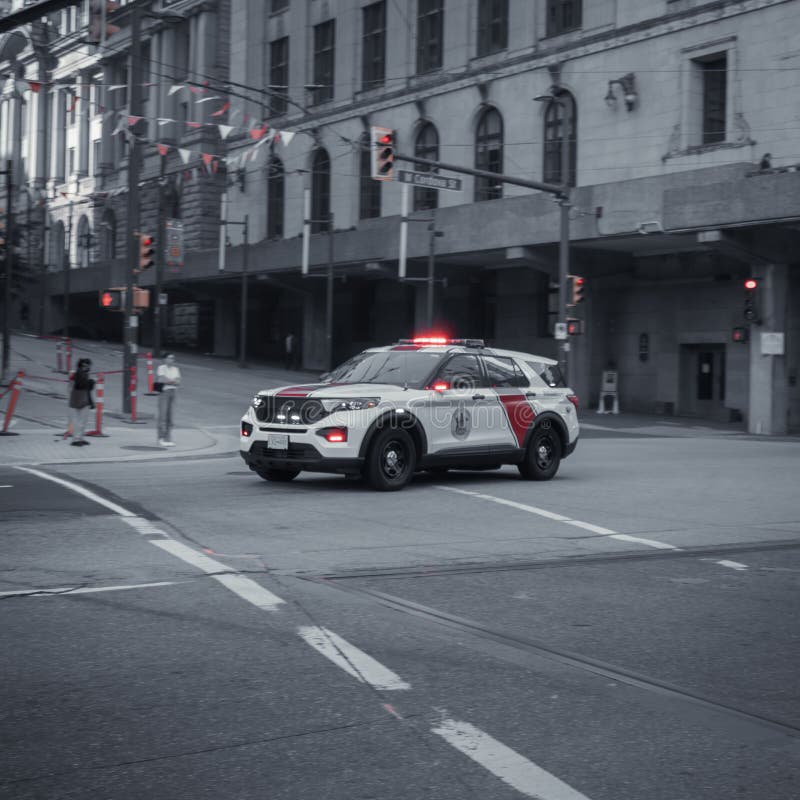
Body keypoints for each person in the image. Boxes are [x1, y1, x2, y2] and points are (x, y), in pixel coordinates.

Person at [68, 358, 95, 447]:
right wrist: (91, 382)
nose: (88, 367)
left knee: (82, 420)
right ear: (83, 365)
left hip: (81, 399)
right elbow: (82, 385)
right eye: (86, 365)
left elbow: (86, 387)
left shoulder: (82, 373)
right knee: (79, 420)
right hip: (80, 398)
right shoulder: (79, 373)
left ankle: (80, 438)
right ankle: (76, 439)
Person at [156, 353, 181, 447]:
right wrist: (172, 381)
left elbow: (178, 382)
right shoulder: (161, 368)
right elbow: (161, 379)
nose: (172, 360)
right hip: (164, 392)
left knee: (170, 416)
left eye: (173, 358)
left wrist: (170, 381)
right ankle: (161, 438)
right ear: (165, 359)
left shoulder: (176, 369)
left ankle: (168, 437)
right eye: (169, 358)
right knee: (162, 415)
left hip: (173, 392)